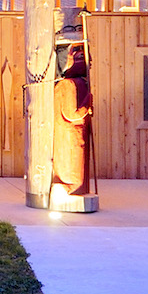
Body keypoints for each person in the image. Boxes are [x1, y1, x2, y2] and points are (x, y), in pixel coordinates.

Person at [53, 46, 95, 198]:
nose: (90, 64)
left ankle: (76, 187)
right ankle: (70, 187)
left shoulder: (75, 83)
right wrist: (87, 105)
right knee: (72, 164)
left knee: (77, 163)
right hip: (70, 135)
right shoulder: (68, 85)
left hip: (74, 134)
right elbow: (72, 114)